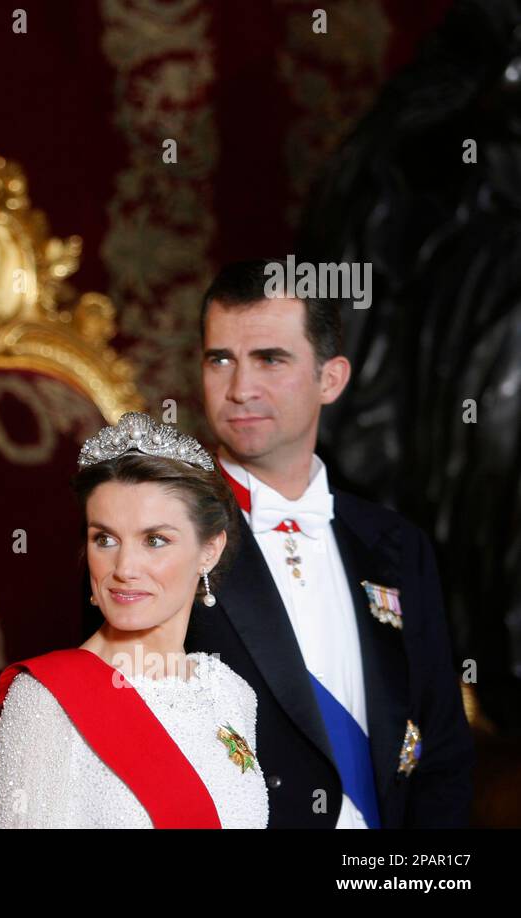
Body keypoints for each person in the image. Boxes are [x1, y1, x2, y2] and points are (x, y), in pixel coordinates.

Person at [182, 258, 475, 828]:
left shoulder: (396, 544)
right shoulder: (158, 541)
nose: (241, 389)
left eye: (270, 359)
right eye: (221, 360)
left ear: (331, 379)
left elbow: (442, 754)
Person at [0, 412, 268, 828]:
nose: (124, 567)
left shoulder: (231, 692)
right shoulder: (45, 700)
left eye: (155, 540)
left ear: (209, 550)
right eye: (105, 539)